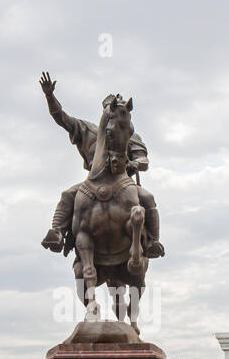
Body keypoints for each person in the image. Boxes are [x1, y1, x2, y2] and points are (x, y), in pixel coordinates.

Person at [38, 71, 164, 257]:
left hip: (123, 182)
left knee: (148, 198)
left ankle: (153, 241)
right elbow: (61, 118)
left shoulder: (130, 135)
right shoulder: (87, 130)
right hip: (93, 182)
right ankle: (57, 232)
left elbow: (143, 160)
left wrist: (135, 164)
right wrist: (49, 96)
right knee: (68, 195)